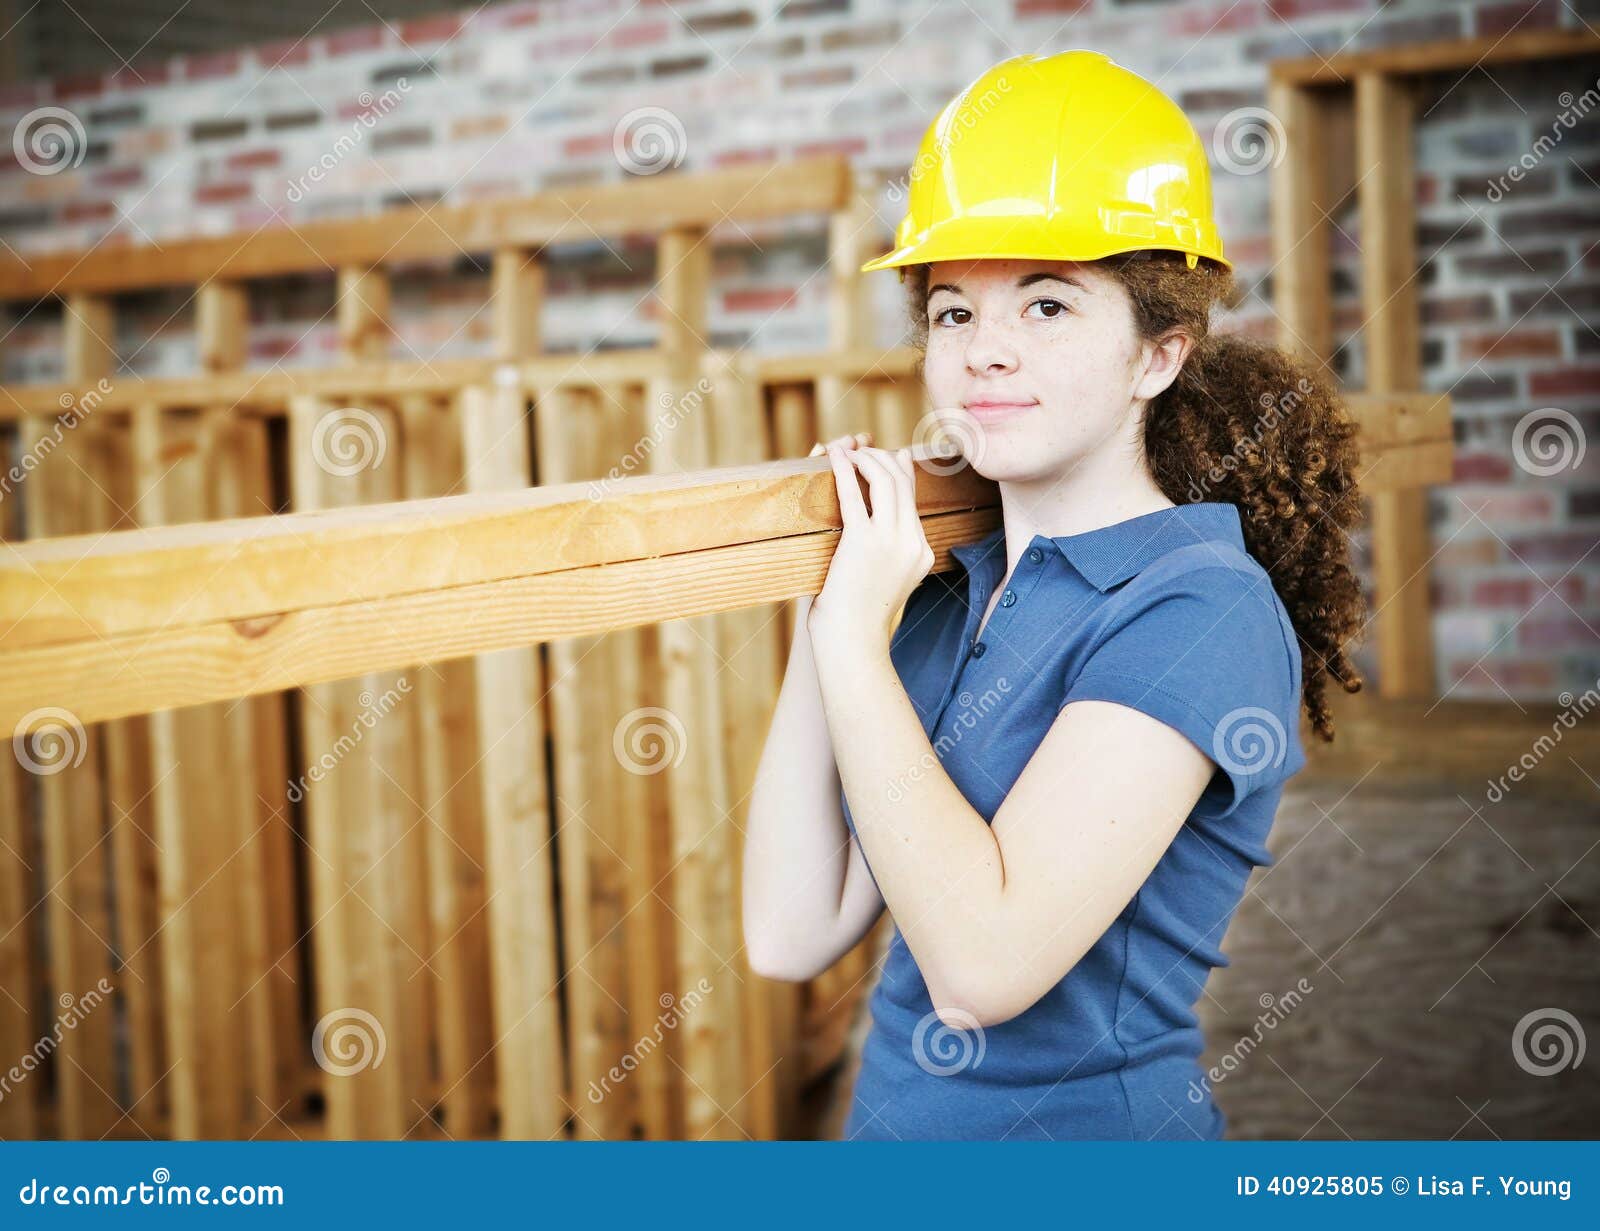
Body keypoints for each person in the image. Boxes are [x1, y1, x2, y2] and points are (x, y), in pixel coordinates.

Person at [740, 49, 1365, 1141]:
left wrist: (851, 645)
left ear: (1157, 356)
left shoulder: (1200, 609)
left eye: (1045, 304)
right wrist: (831, 602)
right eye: (952, 312)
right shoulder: (949, 592)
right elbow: (788, 933)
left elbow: (982, 967)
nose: (985, 352)